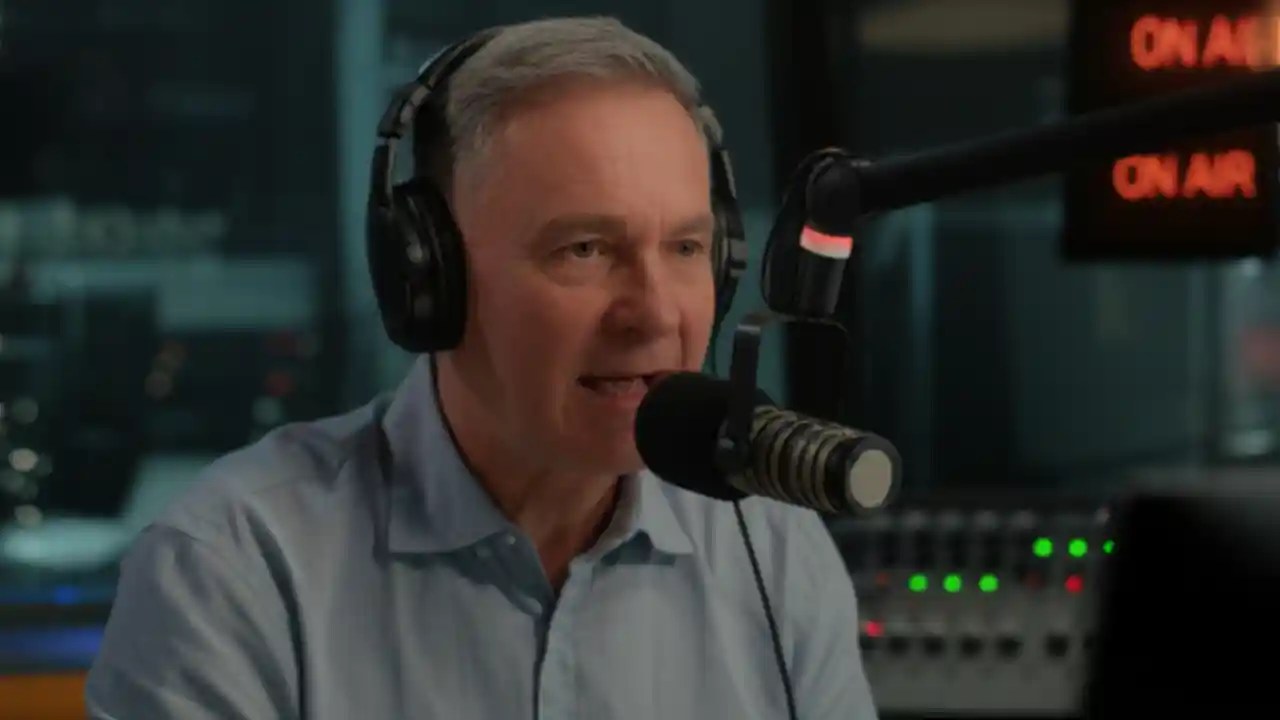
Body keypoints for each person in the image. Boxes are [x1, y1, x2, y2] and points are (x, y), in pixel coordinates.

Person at [85, 16, 878, 720]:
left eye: (685, 248)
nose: (657, 313)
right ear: (430, 278)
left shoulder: (771, 549)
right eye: (585, 249)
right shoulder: (232, 569)